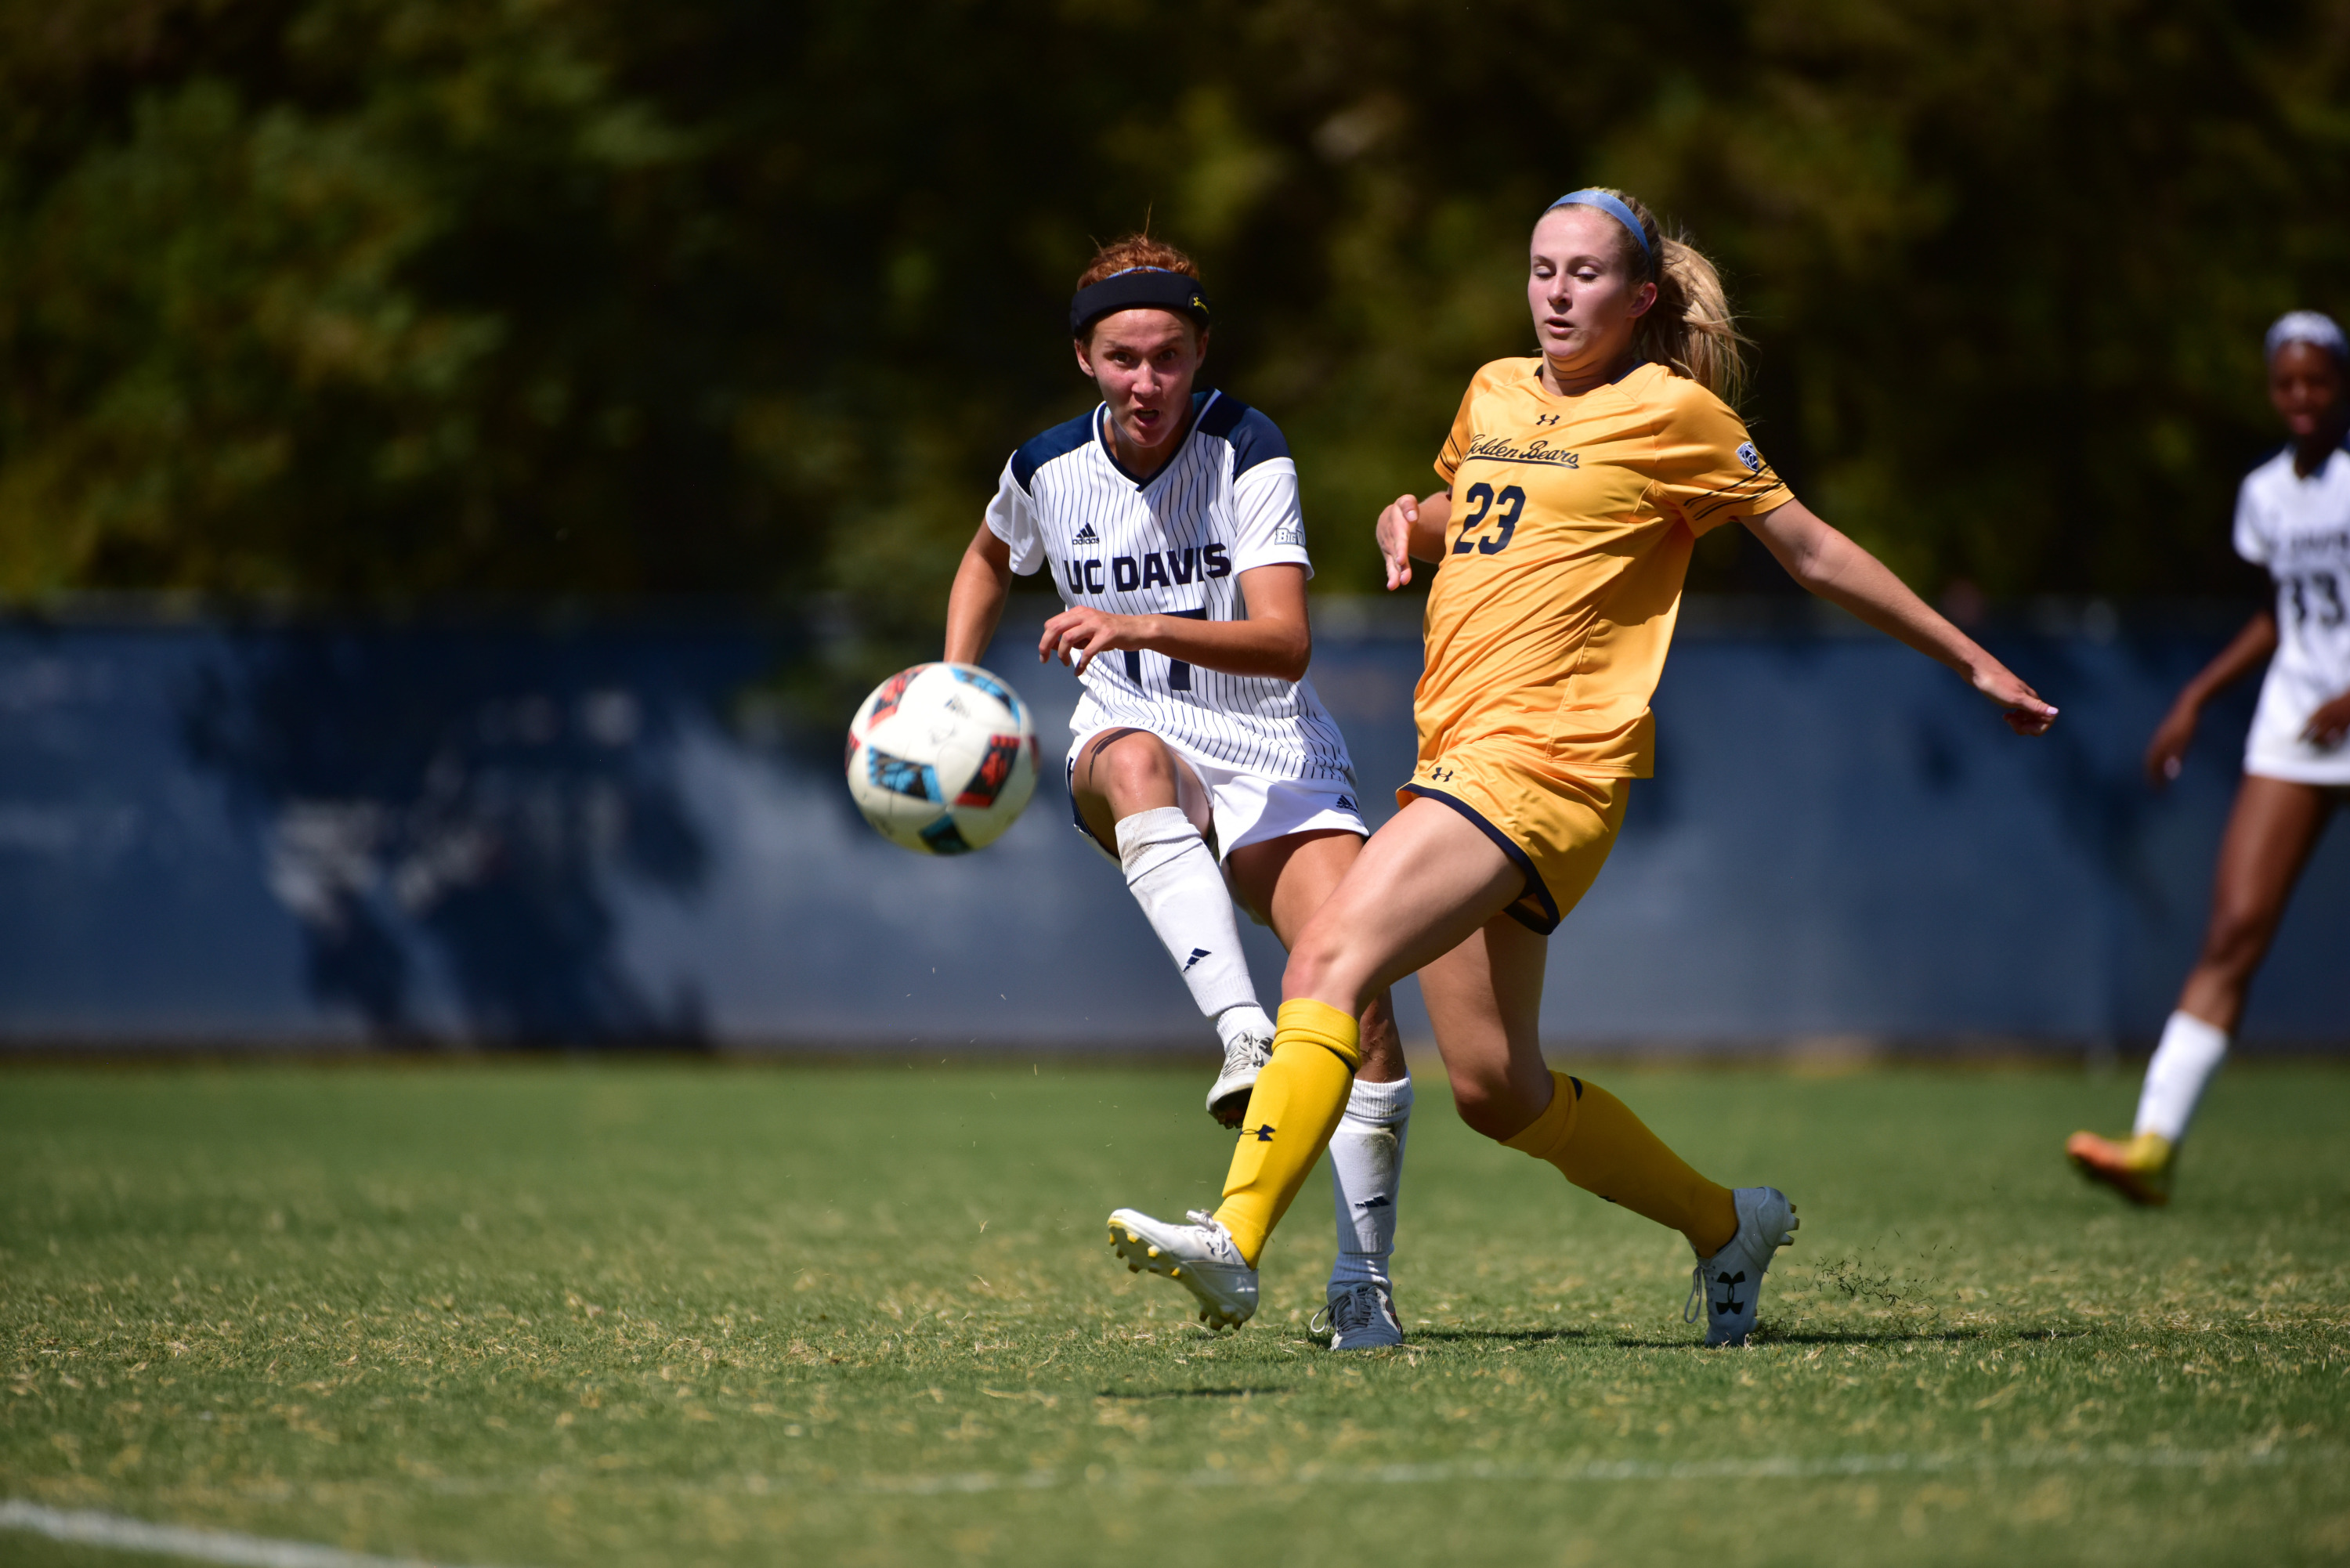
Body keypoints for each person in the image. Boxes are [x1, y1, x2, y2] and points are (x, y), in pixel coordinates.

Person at [1108, 188, 2058, 1346]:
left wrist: (1970, 661)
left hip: (1547, 764)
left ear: (1641, 296)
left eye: (1587, 275)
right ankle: (1725, 1223)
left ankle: (1236, 1238)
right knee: (1498, 1090)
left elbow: (1808, 548)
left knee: (1329, 952)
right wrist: (1413, 522)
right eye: (1542, 269)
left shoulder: (1678, 415)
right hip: (1457, 755)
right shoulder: (1495, 389)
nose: (1558, 293)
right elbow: (1488, 510)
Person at [943, 234, 1417, 1346]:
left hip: (1273, 746)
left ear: (1203, 349)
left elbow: (1287, 642)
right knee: (1132, 757)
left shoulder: (1249, 446)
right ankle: (1244, 1033)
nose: (1146, 381)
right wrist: (953, 685)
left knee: (1366, 1006)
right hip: (1139, 733)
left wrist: (1139, 622)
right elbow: (983, 557)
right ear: (1082, 358)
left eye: (1168, 355)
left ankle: (1361, 1283)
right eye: (1122, 358)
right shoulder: (1044, 466)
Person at [2067, 312, 2350, 1206]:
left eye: (2318, 381)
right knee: (2233, 931)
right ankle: (2154, 1143)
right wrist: (2195, 697)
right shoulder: (2267, 491)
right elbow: (2282, 612)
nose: (2302, 398)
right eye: (2286, 384)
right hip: (2298, 723)